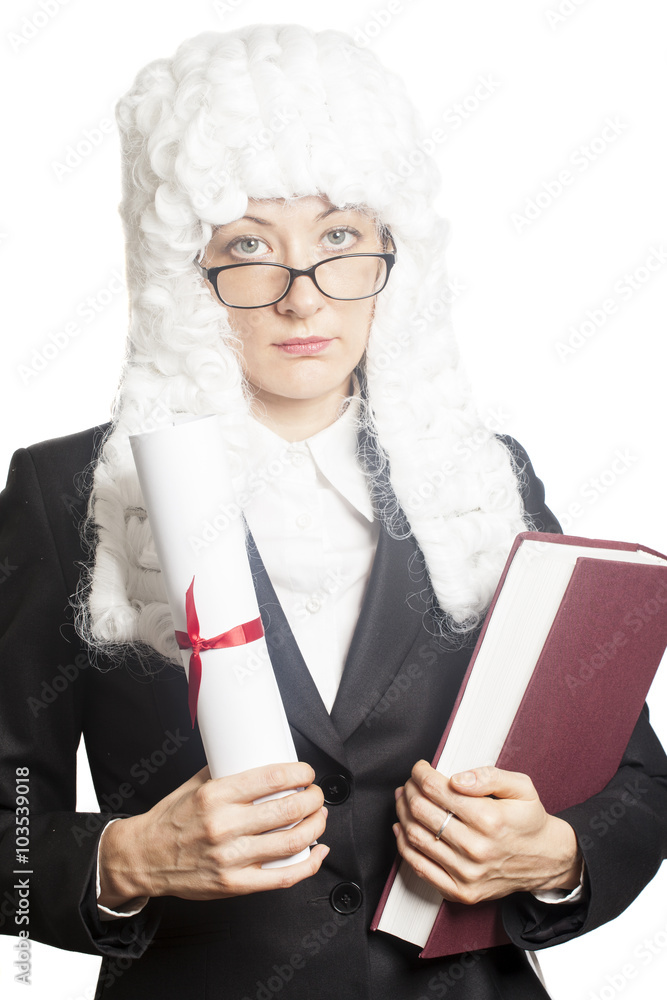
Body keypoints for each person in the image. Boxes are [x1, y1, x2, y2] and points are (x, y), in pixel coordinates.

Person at [0, 24, 665, 1000]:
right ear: (185, 273)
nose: (303, 299)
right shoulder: (71, 495)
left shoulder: (486, 475)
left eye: (340, 239)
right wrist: (128, 857)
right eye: (248, 249)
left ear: (393, 252)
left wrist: (554, 849)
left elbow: (638, 784)